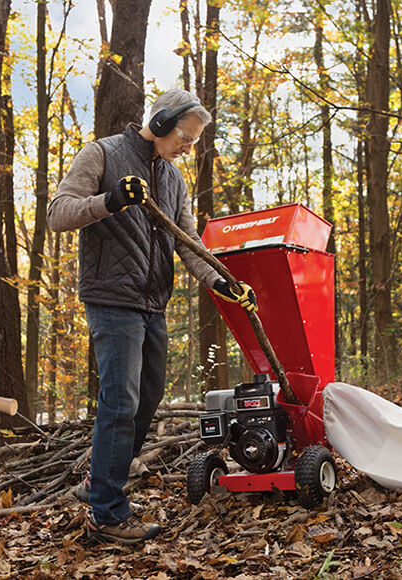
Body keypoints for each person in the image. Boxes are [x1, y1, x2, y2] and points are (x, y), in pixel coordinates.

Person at [48, 88, 258, 544]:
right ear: (161, 123)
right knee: (120, 401)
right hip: (112, 297)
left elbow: (188, 241)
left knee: (145, 400)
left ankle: (99, 481)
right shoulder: (101, 154)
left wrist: (220, 281)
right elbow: (57, 213)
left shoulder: (174, 180)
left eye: (195, 141)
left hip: (152, 303)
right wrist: (111, 200)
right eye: (186, 137)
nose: (189, 148)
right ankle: (106, 514)